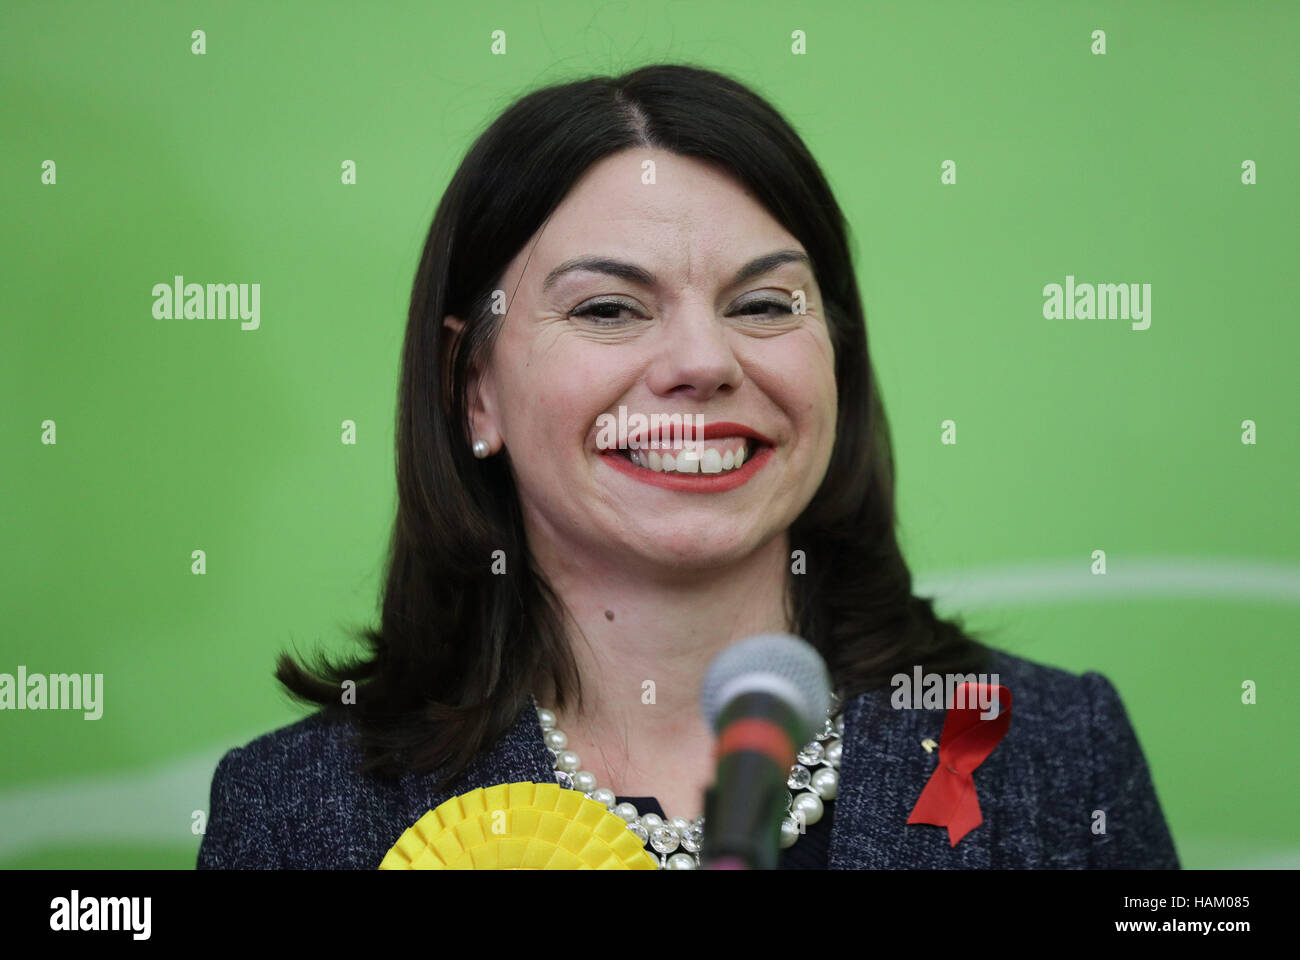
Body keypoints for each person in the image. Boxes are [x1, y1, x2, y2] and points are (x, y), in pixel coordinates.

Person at [198, 63, 1178, 870]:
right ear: (474, 391)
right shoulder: (296, 813)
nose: (703, 363)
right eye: (608, 310)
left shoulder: (1050, 754)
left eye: (763, 305)